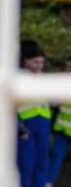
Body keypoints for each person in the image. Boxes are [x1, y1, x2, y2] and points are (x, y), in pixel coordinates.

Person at [17, 40, 50, 187]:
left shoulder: (42, 77)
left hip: (43, 125)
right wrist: (20, 128)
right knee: (26, 166)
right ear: (25, 60)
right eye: (35, 62)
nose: (39, 66)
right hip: (26, 128)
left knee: (42, 163)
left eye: (42, 63)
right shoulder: (17, 78)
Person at [46, 57, 71, 187]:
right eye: (66, 67)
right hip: (62, 130)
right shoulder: (61, 84)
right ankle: (48, 184)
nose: (67, 70)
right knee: (55, 157)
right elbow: (52, 102)